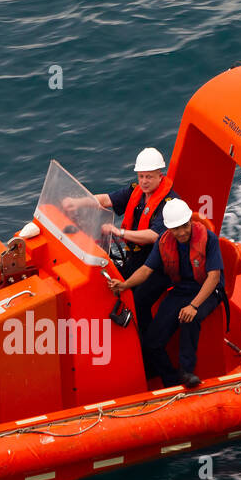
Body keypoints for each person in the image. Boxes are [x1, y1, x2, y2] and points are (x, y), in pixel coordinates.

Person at [62, 147, 179, 344]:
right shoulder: (136, 192)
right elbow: (107, 199)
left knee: (139, 301)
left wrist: (120, 232)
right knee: (107, 285)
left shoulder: (170, 204)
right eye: (141, 176)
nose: (143, 181)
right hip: (136, 258)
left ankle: (148, 346)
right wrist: (78, 202)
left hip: (160, 265)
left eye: (148, 177)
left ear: (160, 175)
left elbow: (153, 236)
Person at [106, 198, 223, 389]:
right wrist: (124, 285)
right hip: (181, 290)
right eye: (176, 228)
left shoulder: (209, 240)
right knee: (152, 342)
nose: (182, 232)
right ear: (169, 229)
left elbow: (214, 277)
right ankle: (170, 379)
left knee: (189, 318)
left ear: (190, 222)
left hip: (208, 291)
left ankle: (187, 372)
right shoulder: (164, 242)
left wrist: (193, 306)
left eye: (185, 226)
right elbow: (146, 270)